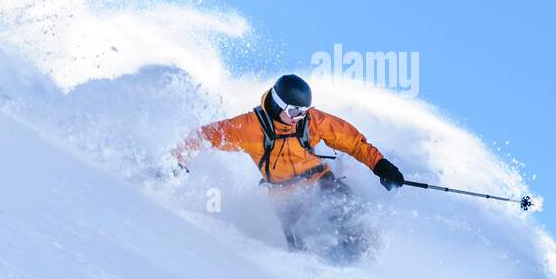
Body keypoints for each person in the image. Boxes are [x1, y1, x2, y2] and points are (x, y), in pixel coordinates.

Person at [172, 74, 404, 260]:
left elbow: (352, 141)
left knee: (355, 224)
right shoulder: (249, 128)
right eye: (294, 111)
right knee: (306, 250)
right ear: (279, 104)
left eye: (303, 112)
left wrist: (381, 166)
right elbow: (205, 136)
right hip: (287, 200)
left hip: (322, 183)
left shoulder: (311, 121)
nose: (298, 117)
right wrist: (178, 160)